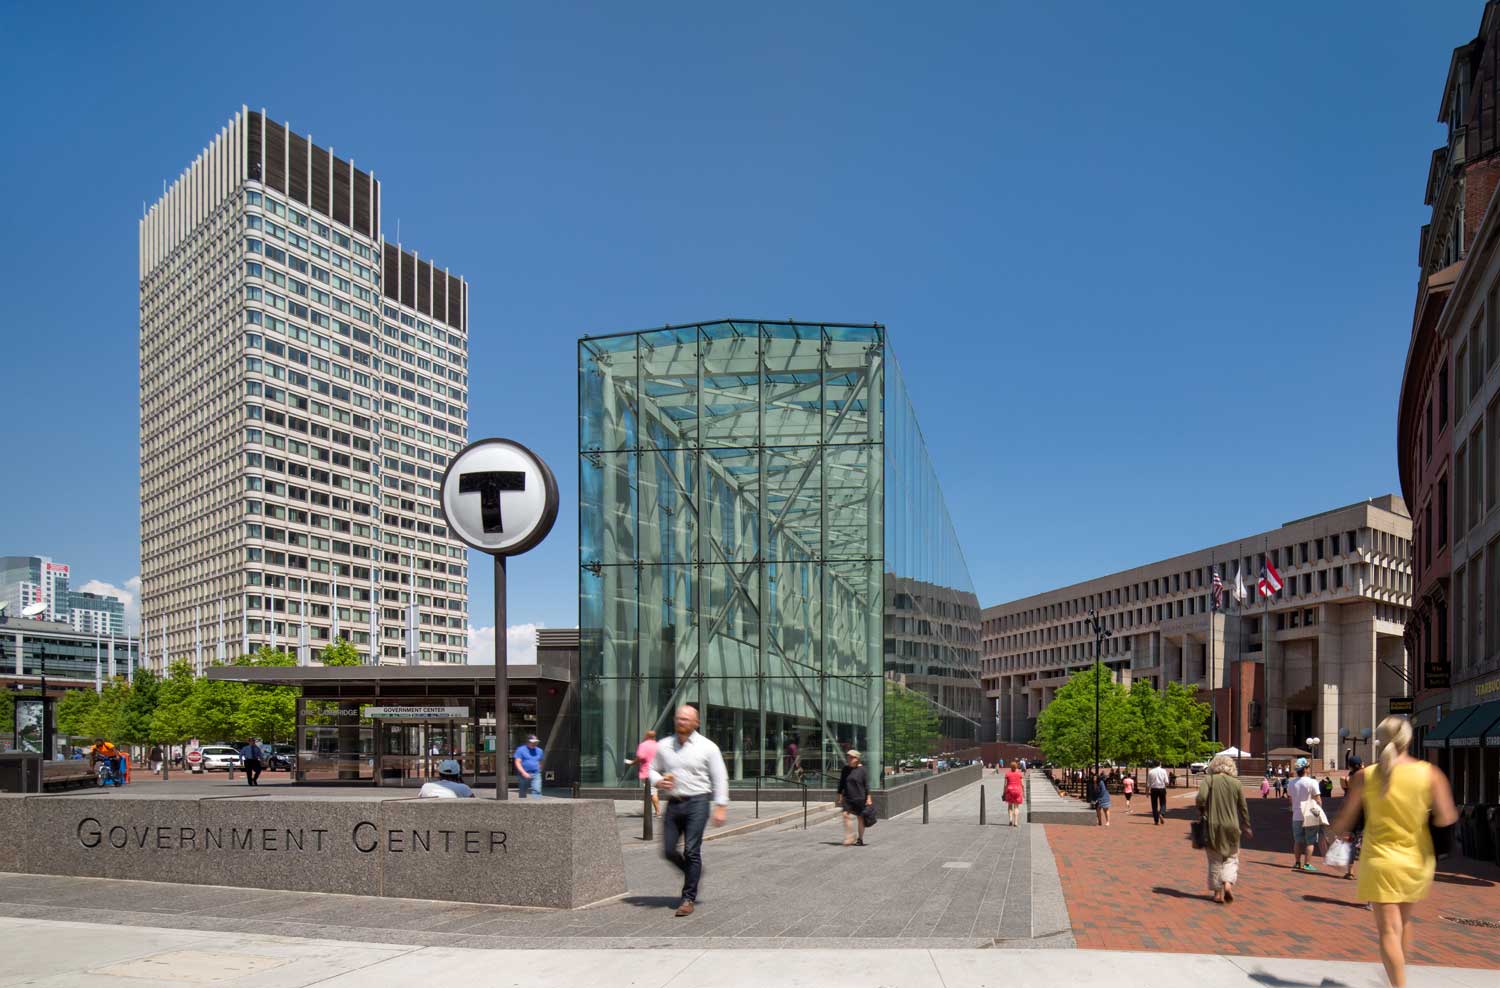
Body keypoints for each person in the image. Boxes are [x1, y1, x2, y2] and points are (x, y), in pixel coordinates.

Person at [1330, 717, 1458, 988]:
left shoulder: (1365, 776)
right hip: (1417, 859)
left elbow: (1346, 818)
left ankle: (1398, 984)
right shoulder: (1430, 773)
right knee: (1403, 921)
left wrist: (1329, 835)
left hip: (1380, 859)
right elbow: (1447, 818)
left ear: (1380, 740)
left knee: (1388, 929)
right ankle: (1397, 975)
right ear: (1408, 740)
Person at [650, 704, 729, 916]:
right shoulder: (664, 745)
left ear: (696, 723)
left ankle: (688, 898)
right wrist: (658, 781)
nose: (681, 722)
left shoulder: (708, 747)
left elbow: (720, 776)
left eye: (686, 719)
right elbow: (650, 768)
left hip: (698, 803)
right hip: (674, 803)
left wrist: (721, 805)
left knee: (691, 850)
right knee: (667, 850)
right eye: (678, 718)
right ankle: (693, 872)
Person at [1196, 753, 1252, 904]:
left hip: (1212, 825)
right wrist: (1246, 824)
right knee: (1231, 858)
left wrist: (1201, 810)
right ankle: (1227, 884)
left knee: (1215, 859)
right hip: (1232, 826)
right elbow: (1243, 807)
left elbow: (1201, 798)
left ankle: (1217, 894)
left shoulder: (1209, 780)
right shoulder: (1236, 783)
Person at [1289, 757, 1324, 872]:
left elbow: (1290, 800)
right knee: (1310, 840)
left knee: (1298, 840)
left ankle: (1297, 862)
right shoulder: (1312, 782)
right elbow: (1318, 800)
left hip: (1297, 814)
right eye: (1308, 767)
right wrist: (1319, 811)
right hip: (1310, 814)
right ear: (1305, 769)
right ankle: (1307, 864)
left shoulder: (1291, 783)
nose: (1309, 768)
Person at [836, 749, 872, 845]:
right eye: (848, 757)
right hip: (847, 797)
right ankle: (851, 835)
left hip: (859, 797)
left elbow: (866, 785)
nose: (849, 759)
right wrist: (839, 795)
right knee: (845, 815)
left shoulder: (863, 770)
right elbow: (842, 783)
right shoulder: (845, 769)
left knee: (860, 818)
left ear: (857, 759)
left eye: (852, 757)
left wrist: (868, 798)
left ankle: (860, 839)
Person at [1339, 754, 1366, 882]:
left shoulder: (1345, 779)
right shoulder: (1365, 777)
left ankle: (1350, 871)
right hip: (1365, 812)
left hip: (1351, 812)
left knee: (1351, 842)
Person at [628, 729, 660, 817]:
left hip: (646, 771)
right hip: (656, 771)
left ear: (647, 736)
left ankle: (657, 812)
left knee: (651, 792)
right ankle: (647, 810)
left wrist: (632, 763)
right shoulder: (657, 745)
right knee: (653, 791)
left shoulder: (643, 745)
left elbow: (640, 757)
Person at [513, 734, 544, 799]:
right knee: (523, 791)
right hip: (523, 774)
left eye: (536, 742)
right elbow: (517, 762)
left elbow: (540, 761)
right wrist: (523, 773)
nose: (534, 743)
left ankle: (537, 805)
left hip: (536, 773)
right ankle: (522, 805)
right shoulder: (521, 750)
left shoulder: (540, 751)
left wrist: (539, 769)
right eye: (532, 742)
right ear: (528, 742)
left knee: (537, 790)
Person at [1003, 759, 1025, 826]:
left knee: (1010, 806)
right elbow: (1022, 784)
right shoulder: (1019, 774)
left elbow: (1005, 785)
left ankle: (1010, 820)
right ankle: (1015, 822)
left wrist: (1004, 793)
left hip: (1010, 791)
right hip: (1018, 791)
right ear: (1016, 767)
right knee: (1016, 807)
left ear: (1010, 767)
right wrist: (1023, 792)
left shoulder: (1007, 774)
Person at [1147, 761, 1169, 825]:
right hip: (1162, 788)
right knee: (1163, 803)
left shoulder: (1150, 771)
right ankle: (1162, 813)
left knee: (1154, 805)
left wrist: (1147, 792)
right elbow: (1167, 782)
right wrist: (1165, 787)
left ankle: (1156, 820)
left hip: (1153, 789)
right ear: (1160, 764)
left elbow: (1148, 783)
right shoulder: (1163, 771)